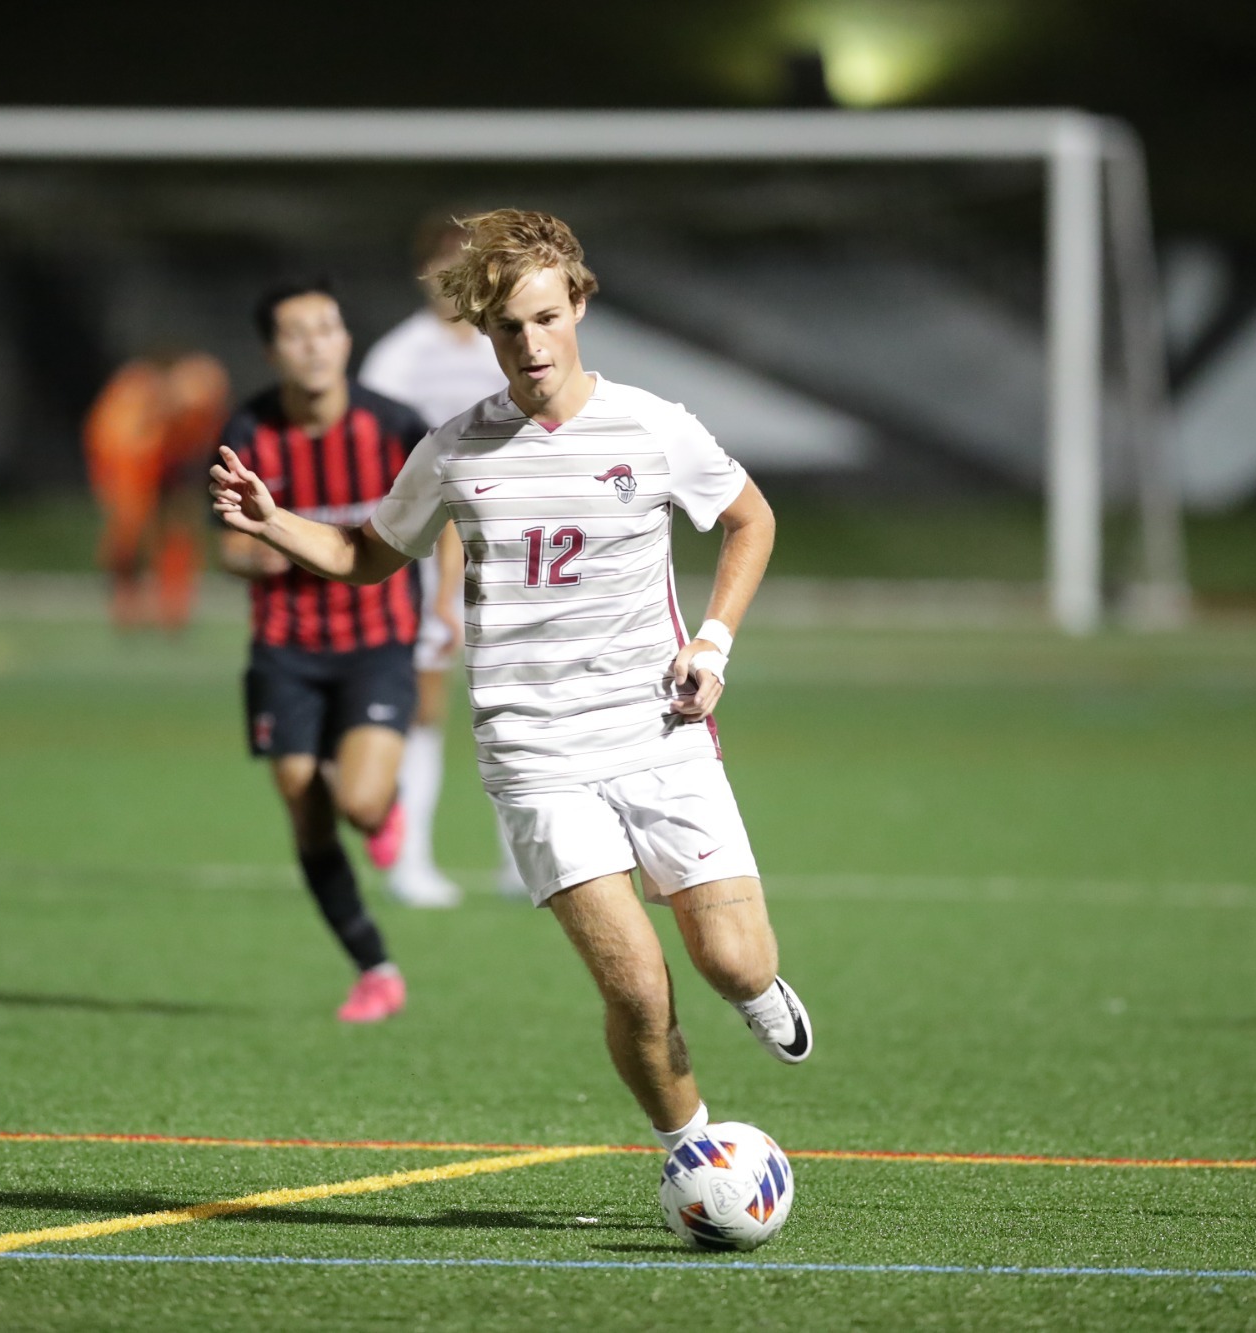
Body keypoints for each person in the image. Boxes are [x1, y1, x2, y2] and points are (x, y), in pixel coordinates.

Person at [213, 212, 811, 1149]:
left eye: (544, 317)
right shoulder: (454, 448)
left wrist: (714, 644)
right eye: (506, 328)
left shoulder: (654, 427)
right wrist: (272, 520)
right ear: (484, 334)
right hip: (537, 754)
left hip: (658, 730)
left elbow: (751, 519)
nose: (530, 345)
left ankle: (757, 988)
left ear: (577, 304)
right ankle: (693, 1150)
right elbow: (367, 553)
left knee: (732, 962)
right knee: (637, 988)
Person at [214, 278, 428, 1023]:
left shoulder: (395, 425)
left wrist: (457, 602)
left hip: (377, 640)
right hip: (286, 649)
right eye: (296, 333)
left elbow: (451, 513)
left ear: (345, 340)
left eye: (327, 328)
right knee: (306, 811)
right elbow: (227, 545)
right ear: (273, 351)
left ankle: (382, 806)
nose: (314, 343)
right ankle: (375, 968)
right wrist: (256, 553)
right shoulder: (248, 432)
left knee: (359, 801)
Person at [358, 215, 513, 908]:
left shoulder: (507, 344)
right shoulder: (398, 358)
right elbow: (374, 459)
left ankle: (527, 860)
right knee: (424, 703)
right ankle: (410, 860)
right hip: (423, 549)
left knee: (514, 699)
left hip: (511, 547)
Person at [84, 352, 229, 630]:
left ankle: (173, 604)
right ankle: (126, 599)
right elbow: (117, 451)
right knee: (129, 529)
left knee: (180, 527)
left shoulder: (200, 407)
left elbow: (201, 445)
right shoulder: (130, 408)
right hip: (128, 460)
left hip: (169, 462)